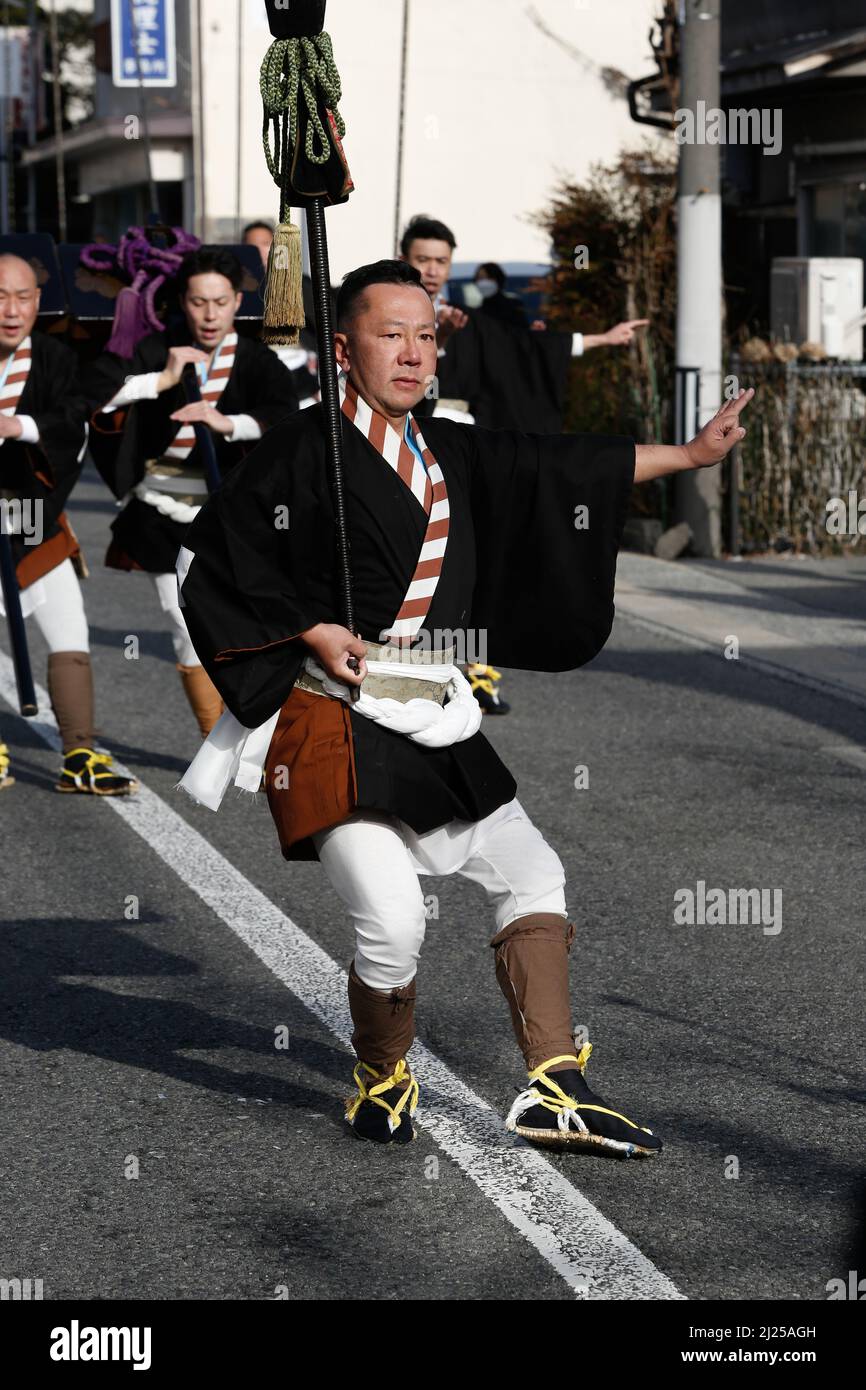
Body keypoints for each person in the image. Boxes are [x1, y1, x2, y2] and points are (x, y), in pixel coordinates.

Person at [176, 259, 752, 1154]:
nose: (413, 353)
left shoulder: (450, 447)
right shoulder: (298, 450)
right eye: (390, 335)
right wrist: (312, 627)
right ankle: (380, 1071)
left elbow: (557, 466)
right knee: (394, 921)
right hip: (331, 716)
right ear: (342, 350)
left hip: (430, 707)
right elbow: (215, 563)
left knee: (532, 871)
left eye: (425, 335)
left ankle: (554, 1084)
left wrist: (687, 456)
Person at [401, 217, 648, 715]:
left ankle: (476, 670)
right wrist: (436, 342)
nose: (431, 269)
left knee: (473, 561)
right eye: (422, 259)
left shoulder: (471, 321)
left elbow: (530, 350)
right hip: (404, 449)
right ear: (404, 257)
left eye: (441, 260)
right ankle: (412, 668)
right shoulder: (386, 319)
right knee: (414, 561)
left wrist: (602, 339)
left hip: (465, 456)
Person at [83, 247, 299, 739]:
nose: (209, 314)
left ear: (237, 301)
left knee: (246, 625)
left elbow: (286, 420)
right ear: (183, 301)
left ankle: (256, 740)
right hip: (160, 513)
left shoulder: (258, 361)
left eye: (220, 302)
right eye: (199, 302)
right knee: (186, 627)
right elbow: (96, 398)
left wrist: (228, 422)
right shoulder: (158, 349)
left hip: (235, 518)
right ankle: (214, 745)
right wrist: (159, 380)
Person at [0, 254, 136, 795]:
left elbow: (73, 418)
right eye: (0, 298)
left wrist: (20, 426)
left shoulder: (55, 358)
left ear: (40, 301)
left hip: (34, 517)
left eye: (23, 297)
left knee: (70, 630)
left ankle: (79, 753)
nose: (12, 311)